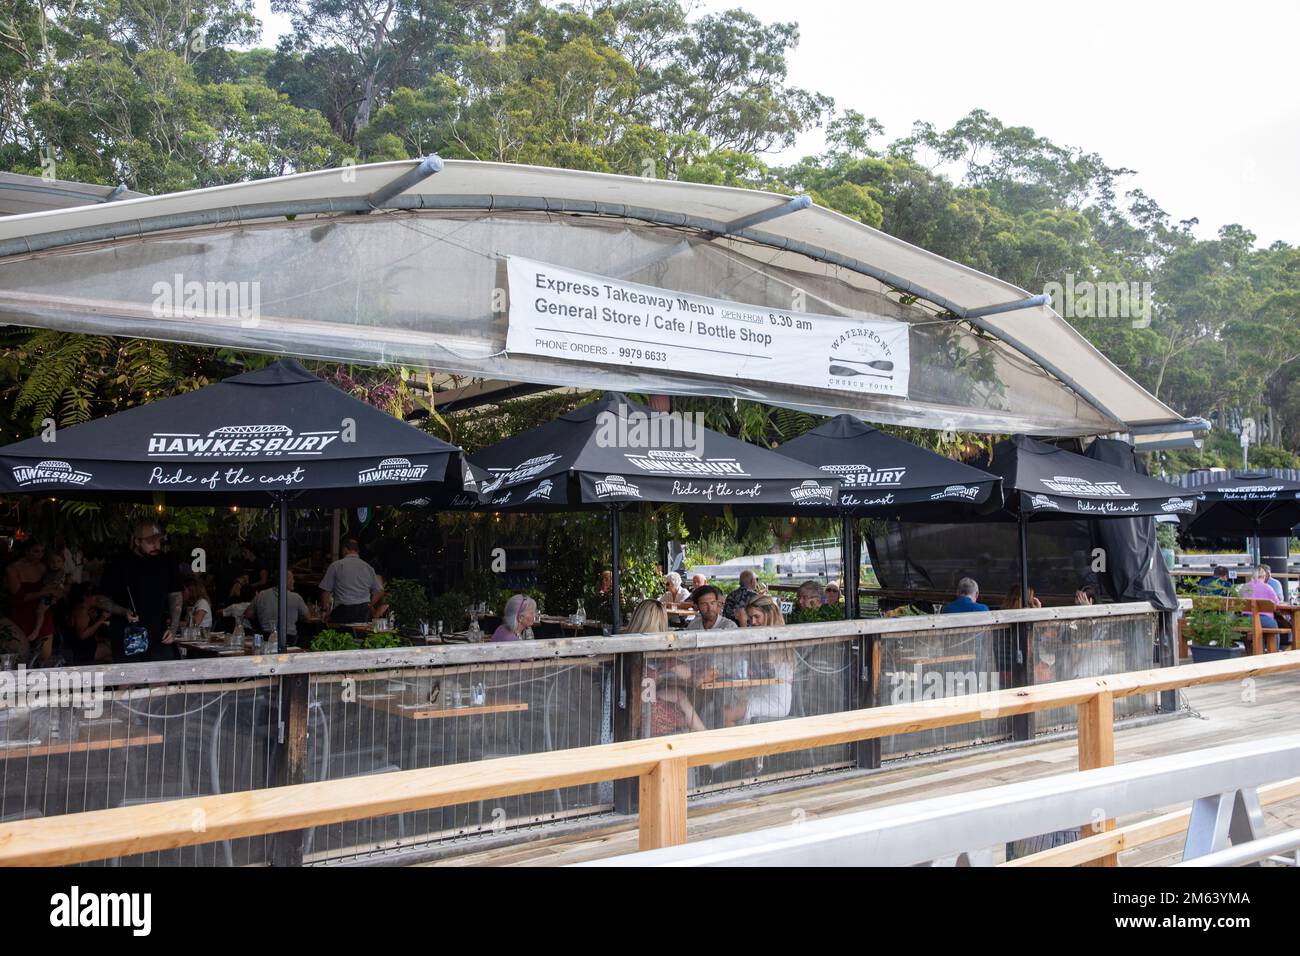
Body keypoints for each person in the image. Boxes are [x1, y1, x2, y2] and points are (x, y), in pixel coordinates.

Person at [96, 521, 183, 662]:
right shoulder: (119, 563)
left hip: (159, 633)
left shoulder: (167, 562)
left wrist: (173, 628)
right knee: (128, 679)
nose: (156, 545)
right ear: (137, 541)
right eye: (150, 541)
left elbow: (176, 596)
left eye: (158, 540)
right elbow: (100, 600)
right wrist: (123, 611)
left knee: (162, 678)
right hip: (127, 634)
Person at [627, 600, 711, 736]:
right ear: (661, 622)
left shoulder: (626, 640)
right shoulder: (657, 648)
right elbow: (686, 673)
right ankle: (706, 738)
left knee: (679, 694)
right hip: (645, 709)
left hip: (627, 701)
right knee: (684, 713)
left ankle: (704, 735)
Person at [4, 540, 56, 660]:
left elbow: (51, 586)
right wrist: (44, 593)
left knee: (45, 656)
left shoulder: (43, 566)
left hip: (41, 611)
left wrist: (52, 596)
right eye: (36, 551)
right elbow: (18, 596)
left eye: (42, 551)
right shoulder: (13, 568)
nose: (40, 554)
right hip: (22, 612)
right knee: (21, 656)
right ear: (26, 552)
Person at [320, 539, 381, 624]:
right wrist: (370, 604)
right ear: (357, 551)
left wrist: (324, 610)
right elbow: (378, 591)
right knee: (359, 635)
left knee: (341, 635)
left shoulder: (336, 566)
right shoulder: (368, 567)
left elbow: (326, 590)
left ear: (345, 549)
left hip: (343, 611)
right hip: (363, 611)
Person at [245, 570, 312, 642]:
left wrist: (260, 614)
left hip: (266, 637)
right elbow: (308, 618)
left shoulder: (261, 595)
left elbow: (248, 614)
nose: (294, 581)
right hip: (289, 639)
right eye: (292, 578)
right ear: (285, 580)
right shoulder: (296, 597)